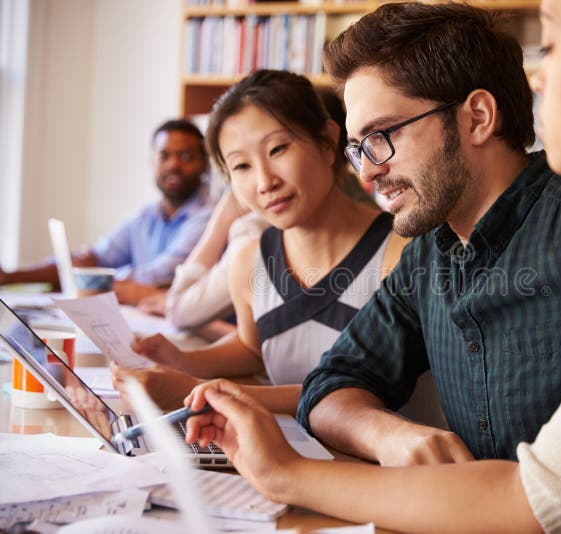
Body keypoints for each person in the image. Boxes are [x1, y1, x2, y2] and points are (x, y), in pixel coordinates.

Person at [180, 1, 561, 532]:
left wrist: (289, 474)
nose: (365, 170)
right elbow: (535, 493)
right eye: (357, 146)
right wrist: (347, 450)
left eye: (552, 44)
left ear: (477, 116)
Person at [112, 70, 408, 412]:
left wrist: (202, 393)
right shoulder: (249, 259)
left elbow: (365, 393)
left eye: (278, 149)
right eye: (241, 167)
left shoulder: (401, 254)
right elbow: (255, 350)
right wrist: (180, 360)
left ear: (328, 141)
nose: (265, 181)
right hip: (273, 452)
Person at [0, 119, 214, 305]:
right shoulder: (144, 216)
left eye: (186, 157)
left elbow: (162, 274)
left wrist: (96, 276)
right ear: (152, 162)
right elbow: (96, 257)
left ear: (205, 164)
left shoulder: (209, 216)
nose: (173, 165)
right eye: (164, 156)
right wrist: (12, 276)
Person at [136, 188, 268, 341]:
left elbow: (180, 310)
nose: (265, 182)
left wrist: (220, 222)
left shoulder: (252, 230)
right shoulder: (147, 212)